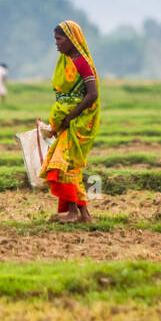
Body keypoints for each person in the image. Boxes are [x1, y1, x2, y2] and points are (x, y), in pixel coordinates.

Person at [40, 21, 100, 223]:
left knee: (63, 164)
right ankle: (82, 214)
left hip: (80, 123)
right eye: (55, 39)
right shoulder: (66, 61)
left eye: (59, 39)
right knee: (68, 166)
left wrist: (71, 116)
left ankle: (77, 213)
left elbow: (92, 94)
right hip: (67, 122)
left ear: (71, 39)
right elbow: (63, 95)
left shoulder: (82, 63)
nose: (56, 44)